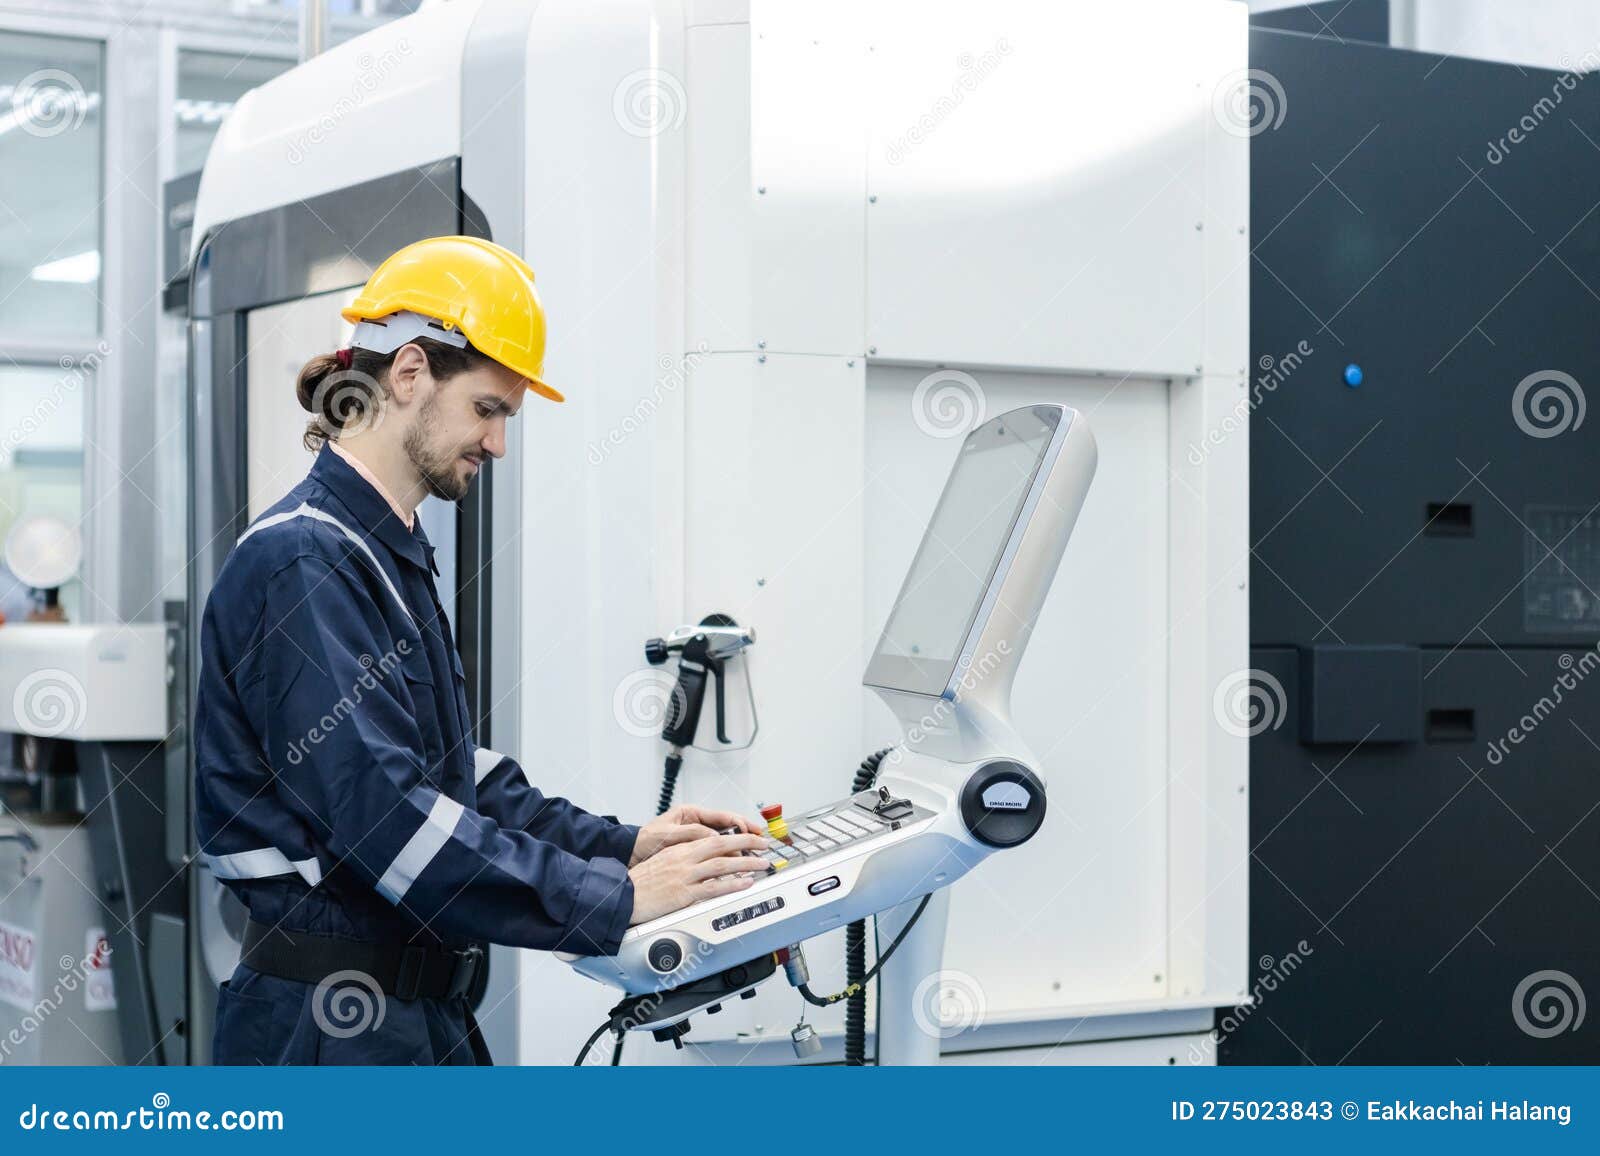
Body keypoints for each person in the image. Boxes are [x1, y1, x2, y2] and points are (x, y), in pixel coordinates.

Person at [193, 236, 769, 1065]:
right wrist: (614, 900)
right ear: (410, 373)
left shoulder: (384, 548)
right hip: (332, 1034)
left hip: (411, 1017)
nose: (497, 444)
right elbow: (388, 820)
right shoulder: (304, 562)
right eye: (489, 410)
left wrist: (622, 847)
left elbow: (457, 777)